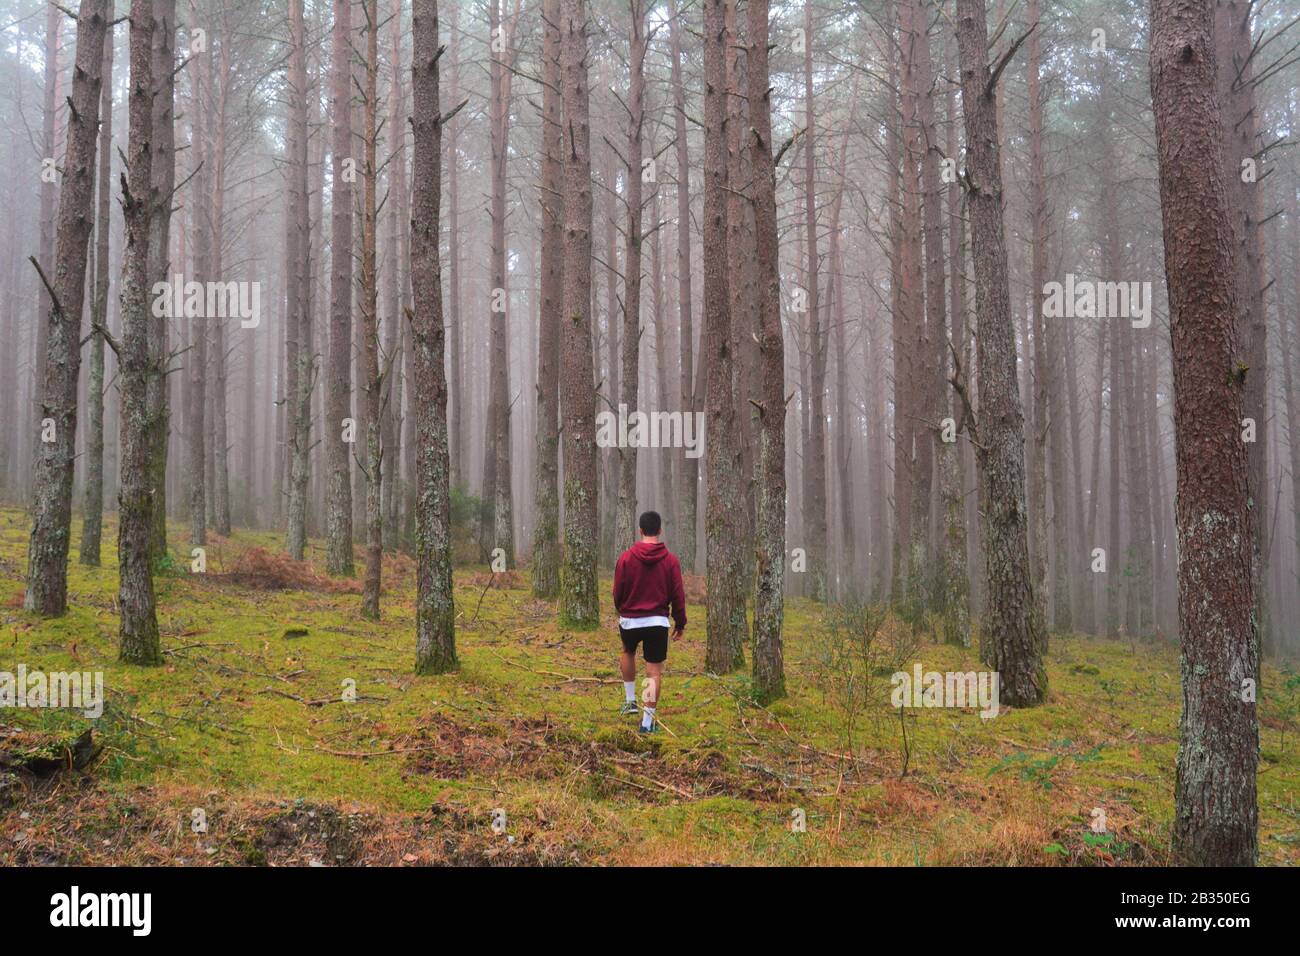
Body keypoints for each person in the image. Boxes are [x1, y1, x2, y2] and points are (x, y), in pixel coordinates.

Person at [612, 510, 687, 733]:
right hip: (657, 621)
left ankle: (630, 700)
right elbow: (678, 595)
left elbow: (618, 591)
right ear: (660, 531)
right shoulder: (671, 561)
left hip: (630, 620)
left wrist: (621, 609)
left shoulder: (625, 558)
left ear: (641, 530)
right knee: (653, 671)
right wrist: (680, 623)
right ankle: (647, 722)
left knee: (627, 652)